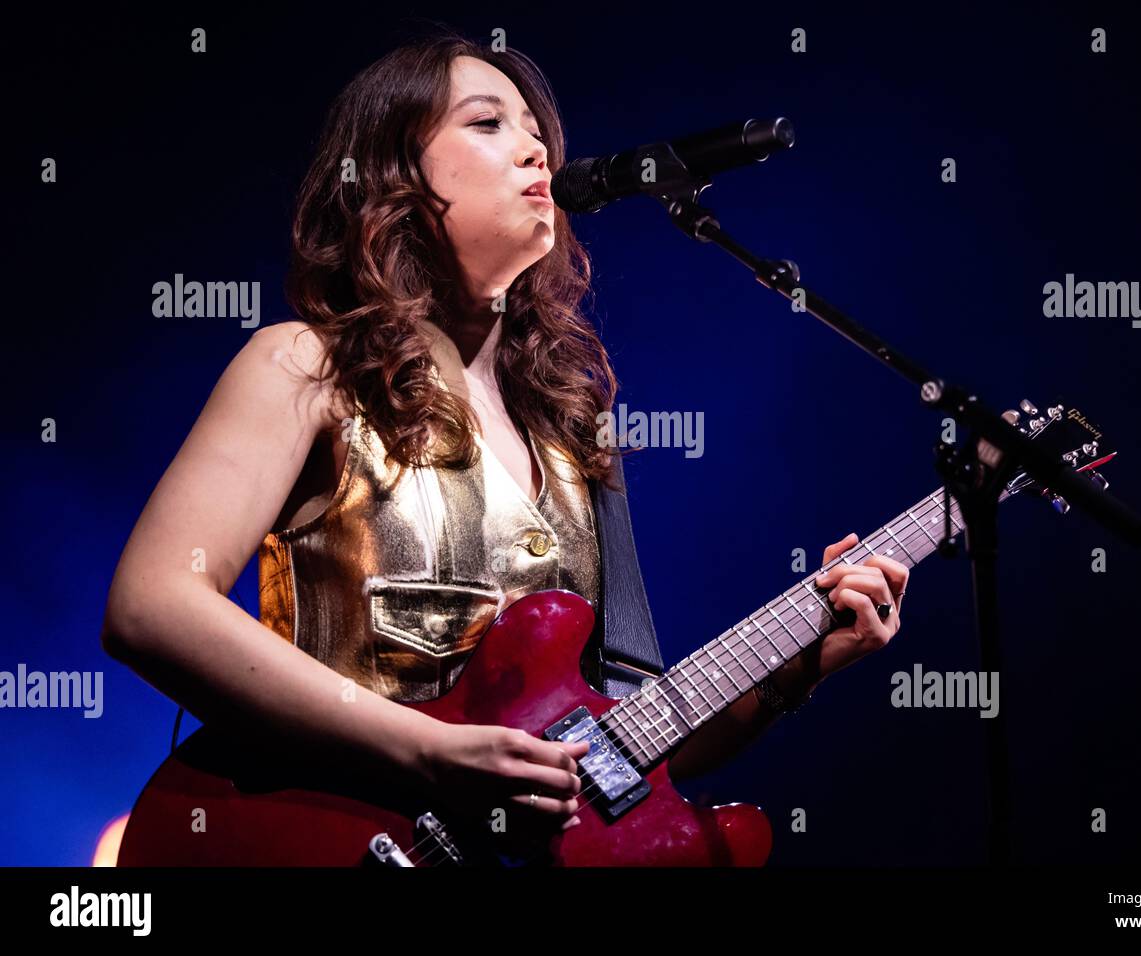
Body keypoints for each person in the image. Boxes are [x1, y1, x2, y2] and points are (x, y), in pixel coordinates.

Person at [100, 29, 909, 843]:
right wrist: (429, 752)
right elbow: (153, 605)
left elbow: (622, 744)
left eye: (538, 132)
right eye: (488, 124)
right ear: (392, 173)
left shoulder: (572, 431)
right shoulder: (305, 364)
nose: (535, 153)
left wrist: (794, 668)